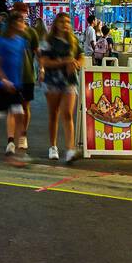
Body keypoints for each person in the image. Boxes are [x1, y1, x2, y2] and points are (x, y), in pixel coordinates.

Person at [0, 8, 29, 164]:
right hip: (0, 86)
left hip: (16, 86)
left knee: (20, 116)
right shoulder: (1, 42)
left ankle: (15, 154)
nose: (24, 25)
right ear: (13, 24)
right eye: (21, 22)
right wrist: (4, 80)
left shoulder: (21, 41)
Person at [39, 12, 83, 162]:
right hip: (52, 82)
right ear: (56, 24)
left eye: (68, 22)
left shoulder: (74, 41)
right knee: (54, 114)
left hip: (69, 81)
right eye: (62, 21)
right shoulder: (48, 41)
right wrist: (65, 62)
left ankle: (70, 149)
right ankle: (53, 146)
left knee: (68, 114)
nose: (65, 24)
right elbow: (44, 61)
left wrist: (77, 64)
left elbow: (81, 56)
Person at [11, 2, 42, 152]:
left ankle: (23, 135)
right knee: (12, 107)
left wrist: (42, 69)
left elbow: (37, 52)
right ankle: (11, 139)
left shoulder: (31, 32)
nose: (21, 15)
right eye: (18, 12)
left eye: (23, 12)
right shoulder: (8, 32)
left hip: (28, 75)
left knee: (25, 106)